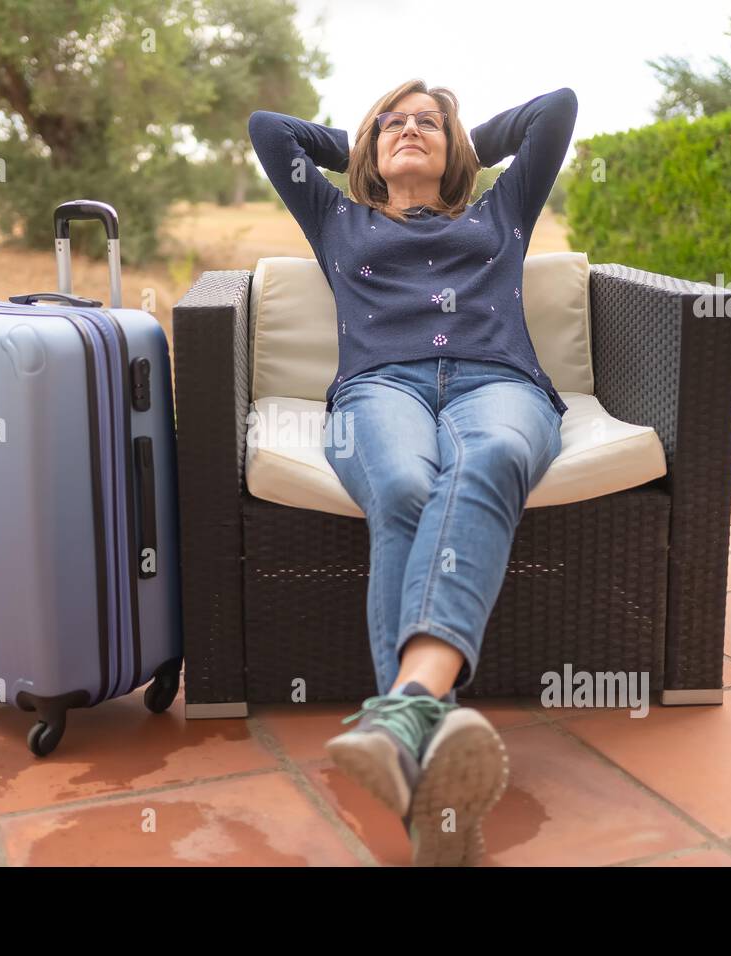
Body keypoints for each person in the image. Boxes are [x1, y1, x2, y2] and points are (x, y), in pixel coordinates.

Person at [247, 79, 577, 866]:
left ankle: (406, 710)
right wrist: (368, 134)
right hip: (377, 388)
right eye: (393, 124)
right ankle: (432, 773)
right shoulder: (336, 218)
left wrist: (461, 136)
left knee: (491, 457)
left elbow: (555, 109)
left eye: (428, 125)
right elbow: (270, 129)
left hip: (497, 383)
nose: (410, 130)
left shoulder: (500, 212)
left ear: (455, 150)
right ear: (370, 148)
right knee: (400, 488)